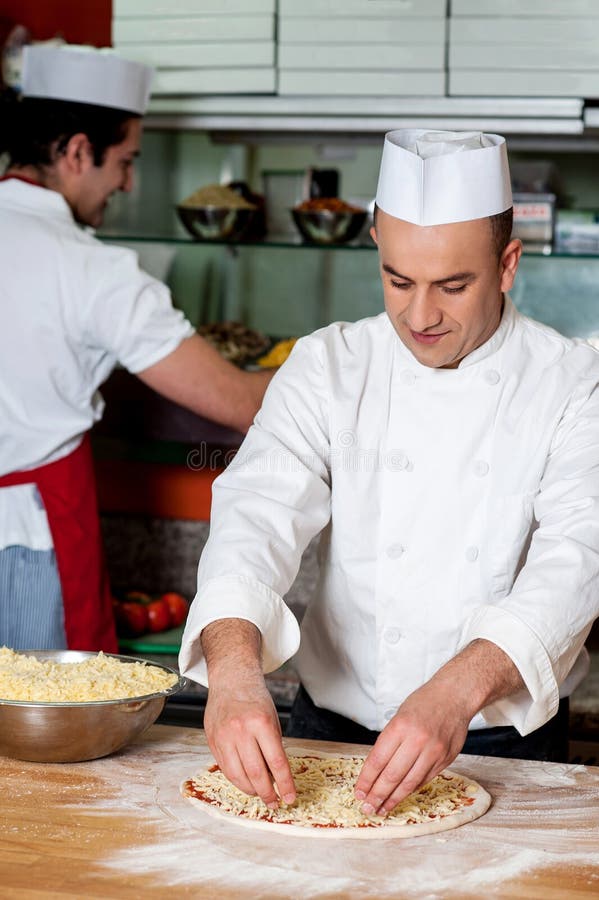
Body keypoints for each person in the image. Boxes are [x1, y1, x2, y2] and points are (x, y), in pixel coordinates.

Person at [179, 129, 599, 817]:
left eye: (452, 285)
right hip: (328, 739)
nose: (419, 314)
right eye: (397, 280)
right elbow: (256, 511)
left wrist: (454, 691)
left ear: (507, 264)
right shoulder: (327, 367)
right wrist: (231, 670)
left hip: (502, 745)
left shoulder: (572, 384)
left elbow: (575, 559)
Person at [0, 45, 272, 654]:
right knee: (51, 731)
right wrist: (345, 356)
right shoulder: (94, 270)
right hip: (31, 541)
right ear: (75, 151)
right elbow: (238, 402)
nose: (126, 182)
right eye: (124, 161)